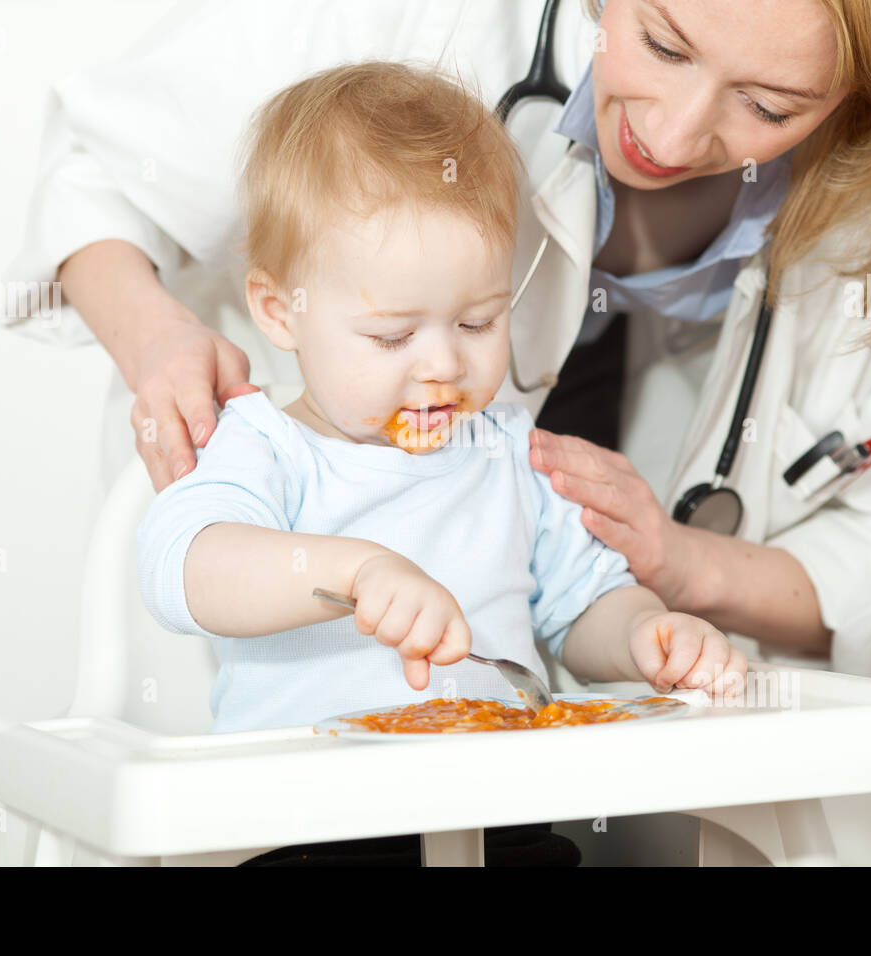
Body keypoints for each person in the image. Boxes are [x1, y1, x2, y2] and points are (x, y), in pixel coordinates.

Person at [0, 0, 871, 691]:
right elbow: (99, 174)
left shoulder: (864, 217)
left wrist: (671, 588)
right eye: (662, 44)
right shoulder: (423, 20)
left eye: (768, 105)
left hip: (531, 755)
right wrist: (159, 342)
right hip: (283, 732)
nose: (675, 127)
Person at [135, 60, 745, 866]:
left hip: (505, 822)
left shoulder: (504, 450)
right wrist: (352, 572)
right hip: (313, 828)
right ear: (282, 312)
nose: (442, 368)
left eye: (478, 322)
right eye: (392, 337)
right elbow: (183, 563)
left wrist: (647, 636)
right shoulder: (264, 446)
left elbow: (583, 601)